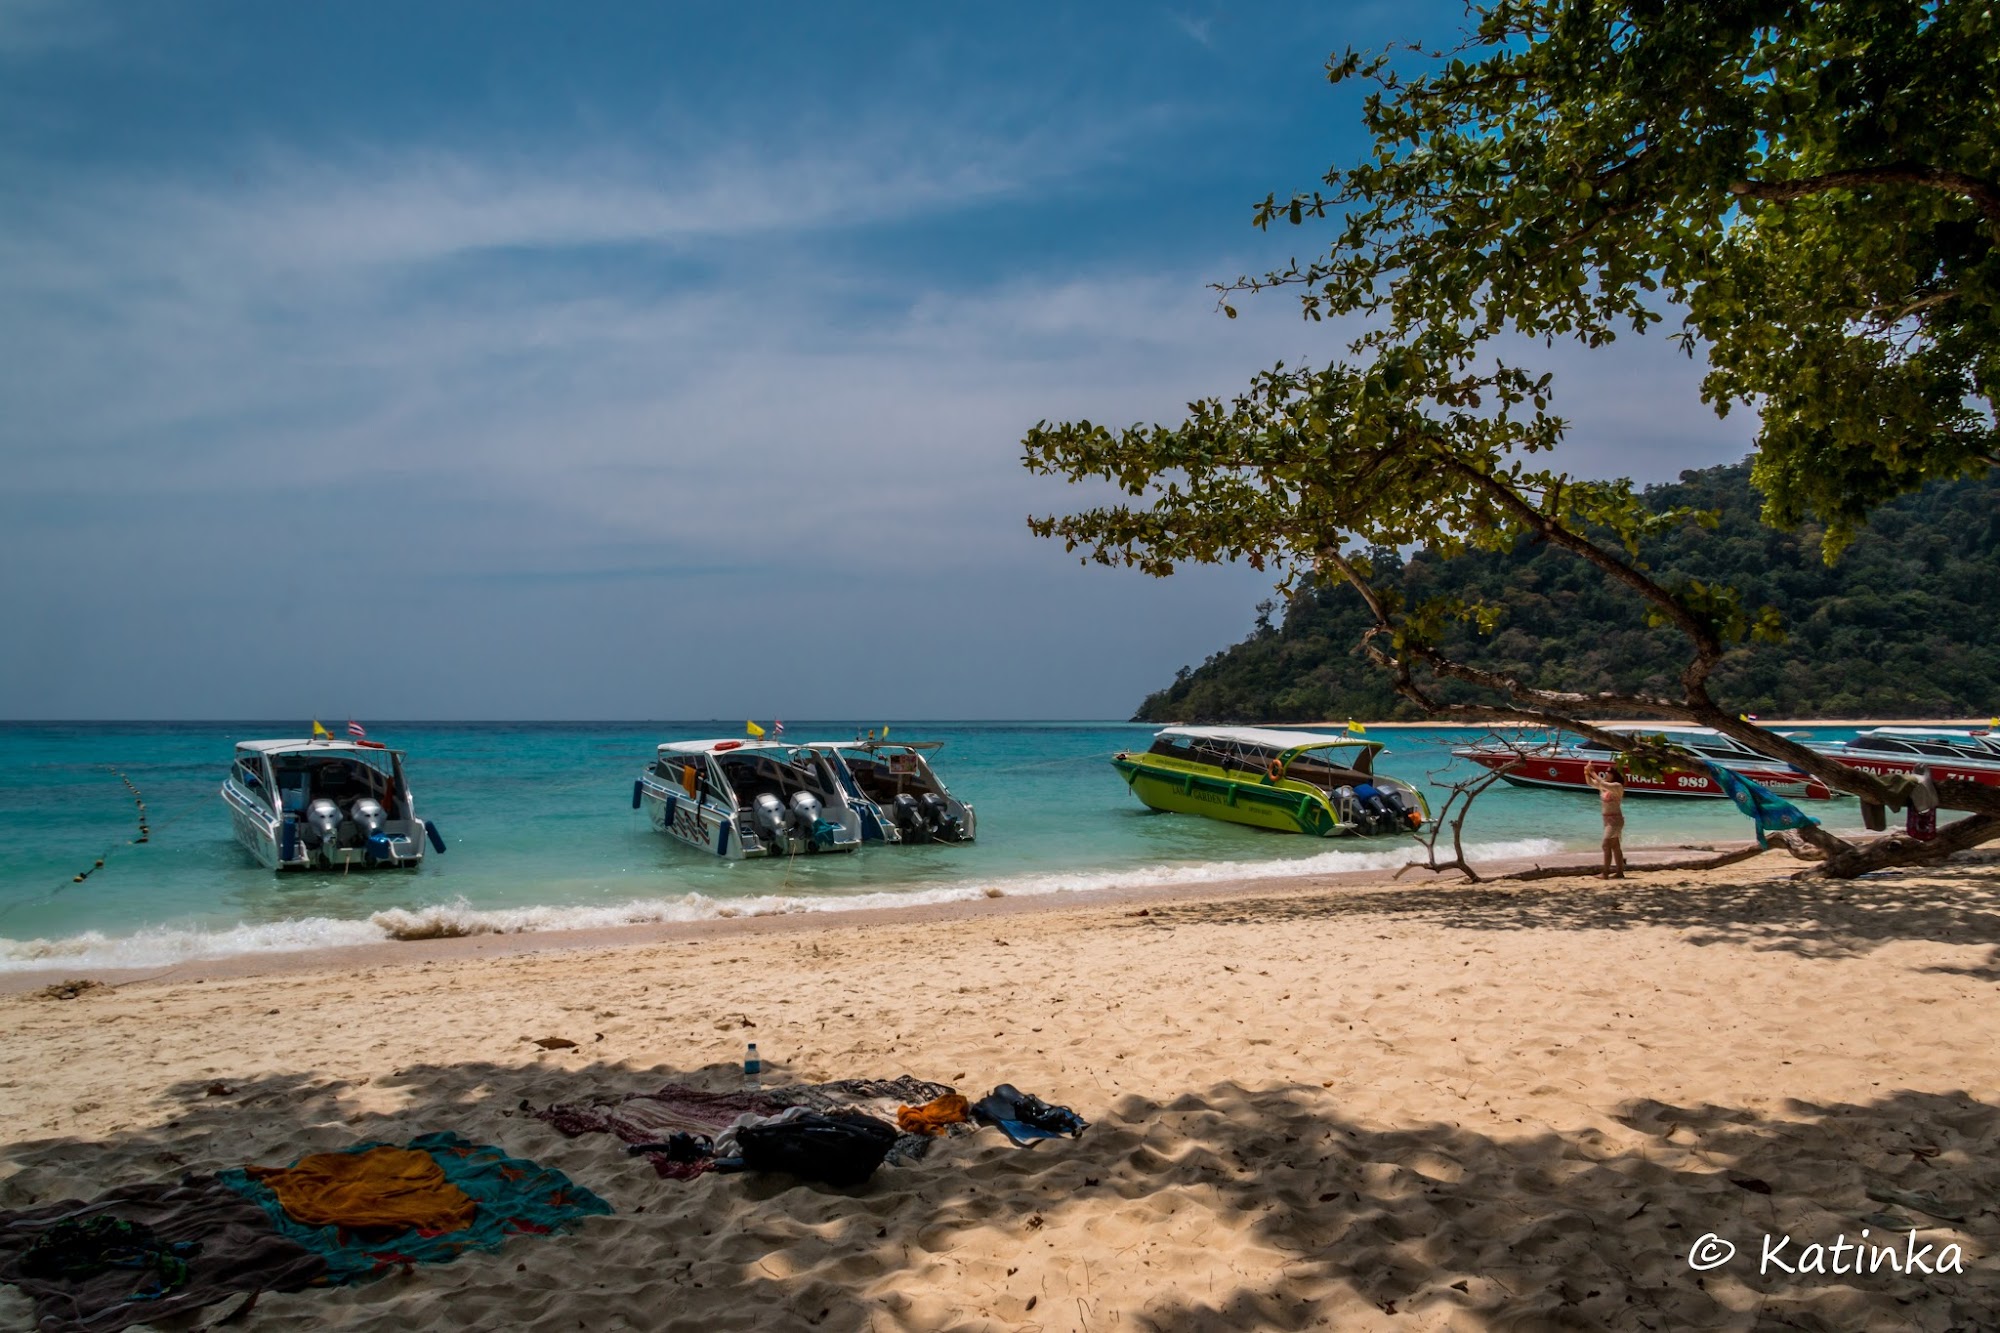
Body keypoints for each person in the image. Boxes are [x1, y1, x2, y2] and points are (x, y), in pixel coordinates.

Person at [1584, 762, 1627, 878]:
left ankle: (1605, 873)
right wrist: (1586, 772)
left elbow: (1601, 782)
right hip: (1607, 821)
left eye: (1608, 772)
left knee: (1606, 845)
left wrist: (1593, 772)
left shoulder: (1617, 786)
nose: (1606, 773)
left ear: (1614, 774)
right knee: (1615, 846)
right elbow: (1590, 782)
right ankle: (1619, 872)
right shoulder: (1604, 786)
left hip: (1615, 820)